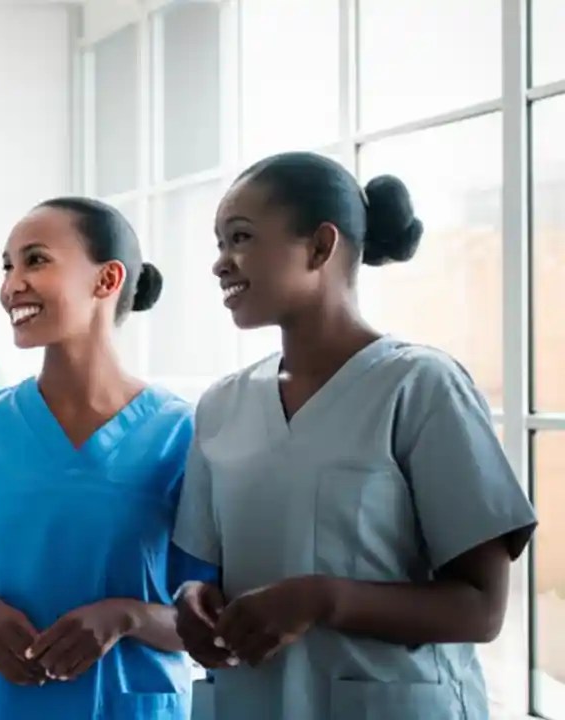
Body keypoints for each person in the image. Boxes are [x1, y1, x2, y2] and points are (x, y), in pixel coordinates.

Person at [171, 151, 538, 720]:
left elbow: (482, 609)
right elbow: (207, 573)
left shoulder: (419, 386)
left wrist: (322, 599)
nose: (221, 264)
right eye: (219, 244)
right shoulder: (222, 405)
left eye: (239, 238)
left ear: (320, 246)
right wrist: (193, 605)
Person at [0, 197, 218, 719]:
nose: (11, 284)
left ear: (106, 280)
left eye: (35, 260)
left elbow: (208, 624)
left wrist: (125, 617)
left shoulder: (182, 434)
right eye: (7, 265)